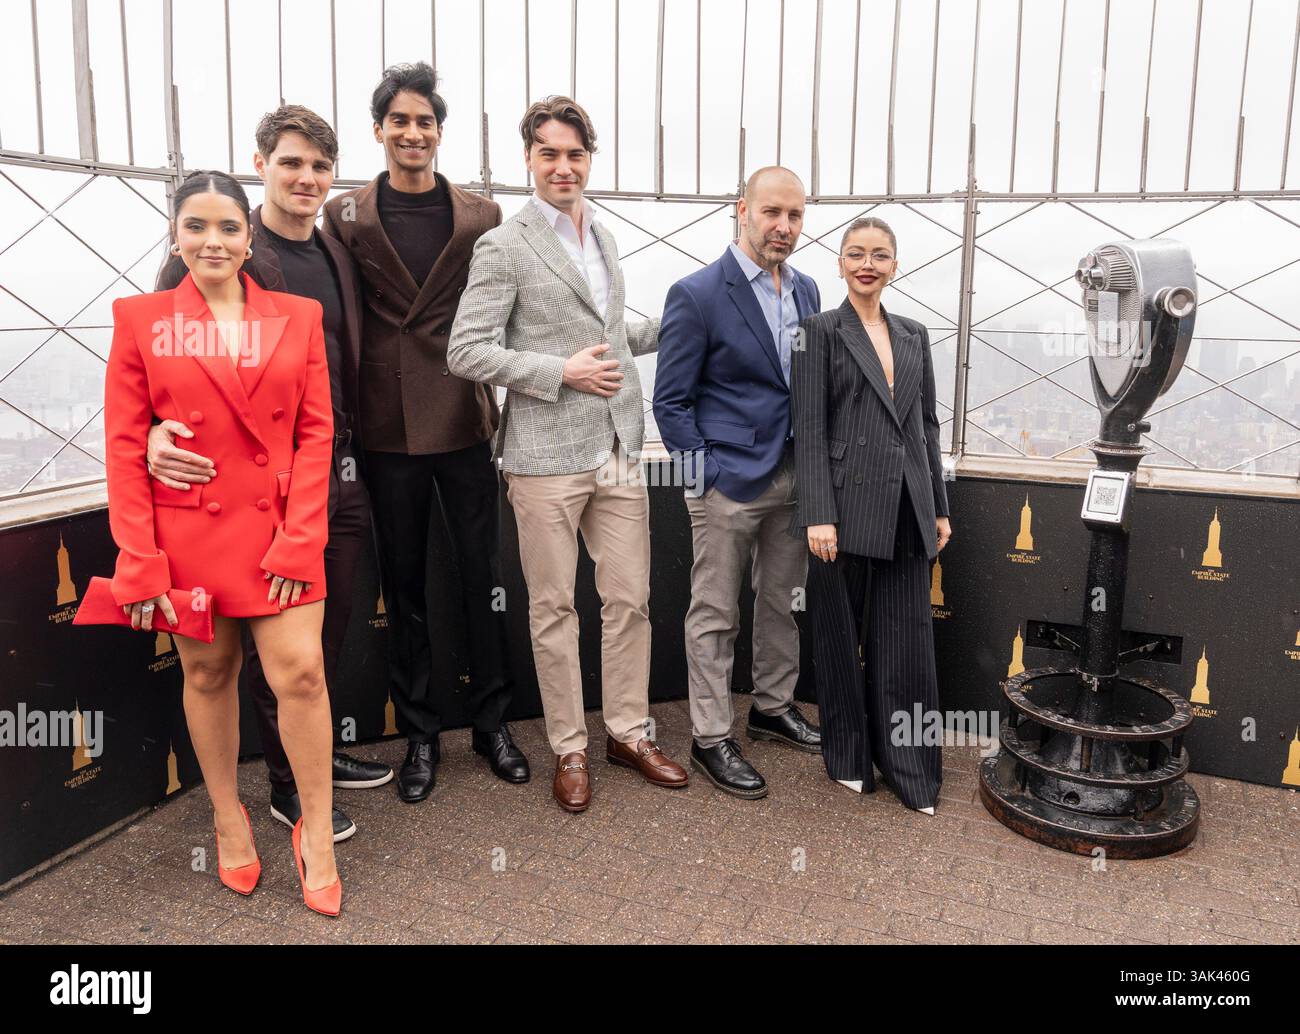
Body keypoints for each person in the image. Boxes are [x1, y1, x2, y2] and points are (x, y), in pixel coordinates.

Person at [149, 106, 391, 844]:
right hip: (251, 488)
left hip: (339, 470)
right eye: (291, 162)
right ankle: (286, 790)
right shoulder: (222, 249)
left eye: (320, 166)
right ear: (261, 165)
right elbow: (152, 363)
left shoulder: (336, 253)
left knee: (322, 638)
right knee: (269, 643)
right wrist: (154, 432)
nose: (307, 178)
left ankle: (310, 757)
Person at [104, 170, 341, 914]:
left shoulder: (298, 317)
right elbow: (120, 442)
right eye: (196, 226)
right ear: (175, 235)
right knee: (208, 675)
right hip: (188, 535)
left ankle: (320, 830)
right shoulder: (140, 319)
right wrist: (138, 559)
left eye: (229, 227)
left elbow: (314, 433)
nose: (213, 240)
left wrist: (301, 538)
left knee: (300, 672)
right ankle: (227, 818)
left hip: (281, 532)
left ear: (249, 238)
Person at [448, 95, 688, 814]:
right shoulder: (504, 243)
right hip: (543, 455)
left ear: (590, 159)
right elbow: (466, 350)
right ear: (528, 158)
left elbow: (606, 334)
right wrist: (561, 372)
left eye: (574, 153)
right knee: (554, 609)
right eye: (548, 153)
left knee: (630, 604)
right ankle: (570, 747)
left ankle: (627, 731)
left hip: (617, 447)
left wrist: (679, 323)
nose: (562, 165)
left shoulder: (604, 237)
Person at [322, 63, 528, 803]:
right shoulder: (344, 217)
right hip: (385, 424)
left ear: (440, 132)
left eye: (426, 122)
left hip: (465, 413)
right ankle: (419, 735)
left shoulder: (483, 217)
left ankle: (493, 725)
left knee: (484, 579)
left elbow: (506, 309)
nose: (414, 133)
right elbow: (338, 318)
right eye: (400, 121)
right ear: (378, 130)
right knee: (404, 587)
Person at [654, 166, 822, 800]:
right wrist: (706, 479)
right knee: (716, 612)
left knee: (784, 603)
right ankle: (710, 736)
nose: (783, 226)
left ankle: (772, 708)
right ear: (742, 209)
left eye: (795, 216)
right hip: (727, 482)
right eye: (772, 212)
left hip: (793, 477)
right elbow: (670, 403)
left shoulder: (806, 289)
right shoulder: (696, 293)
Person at [790, 216, 953, 815]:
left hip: (908, 508)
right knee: (838, 639)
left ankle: (911, 769)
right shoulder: (816, 331)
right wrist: (817, 514)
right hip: (841, 509)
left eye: (879, 255)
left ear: (894, 265)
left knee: (905, 646)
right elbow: (807, 428)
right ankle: (849, 757)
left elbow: (926, 426)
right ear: (838, 264)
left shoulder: (914, 333)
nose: (867, 264)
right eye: (855, 253)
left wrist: (938, 504)